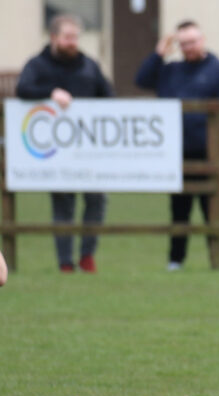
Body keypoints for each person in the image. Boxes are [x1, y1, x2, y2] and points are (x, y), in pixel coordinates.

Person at [134, 20, 219, 271]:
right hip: (176, 153)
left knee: (211, 209)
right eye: (183, 44)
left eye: (192, 42)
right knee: (179, 210)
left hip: (208, 154)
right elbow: (142, 80)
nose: (189, 48)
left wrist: (216, 141)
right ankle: (175, 261)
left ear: (203, 40)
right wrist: (159, 53)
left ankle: (217, 260)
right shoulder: (171, 71)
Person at [16, 14, 114, 273]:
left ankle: (87, 256)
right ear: (54, 38)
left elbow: (109, 96)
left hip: (89, 149)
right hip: (54, 150)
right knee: (63, 205)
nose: (73, 42)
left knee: (96, 200)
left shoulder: (89, 65)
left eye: (76, 37)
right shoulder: (38, 65)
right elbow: (23, 89)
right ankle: (65, 262)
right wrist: (50, 93)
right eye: (68, 37)